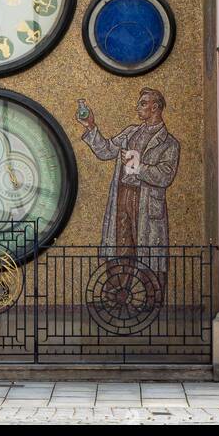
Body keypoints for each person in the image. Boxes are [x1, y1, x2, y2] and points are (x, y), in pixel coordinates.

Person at [78, 89, 181, 291]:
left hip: (146, 201)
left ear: (156, 107)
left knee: (149, 253)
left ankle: (151, 301)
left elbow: (165, 176)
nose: (138, 107)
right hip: (123, 195)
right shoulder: (131, 132)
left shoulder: (169, 143)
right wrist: (91, 125)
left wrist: (138, 166)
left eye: (143, 103)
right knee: (119, 246)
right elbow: (106, 150)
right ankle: (116, 294)